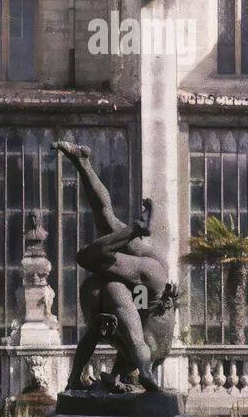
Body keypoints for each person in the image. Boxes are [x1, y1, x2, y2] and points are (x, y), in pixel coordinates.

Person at [53, 140, 177, 393]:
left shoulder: (133, 350)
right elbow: (136, 343)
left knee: (105, 219)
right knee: (87, 258)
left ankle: (83, 162)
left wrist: (111, 379)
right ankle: (136, 229)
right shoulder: (149, 352)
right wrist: (143, 376)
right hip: (148, 278)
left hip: (145, 278)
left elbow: (96, 340)